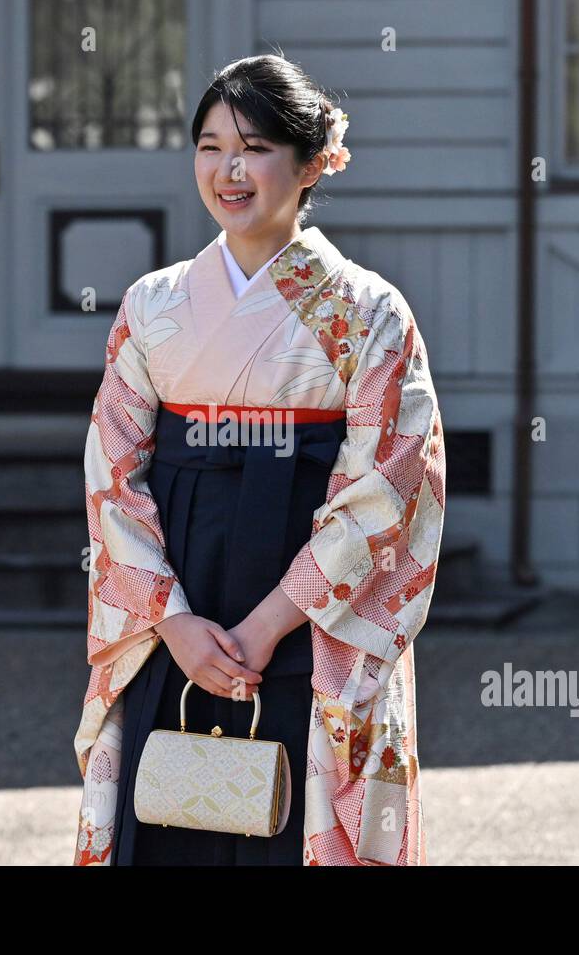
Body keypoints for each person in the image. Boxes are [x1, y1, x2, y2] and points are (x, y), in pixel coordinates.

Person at [72, 54, 446, 866]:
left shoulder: (370, 312)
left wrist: (267, 625)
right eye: (209, 146)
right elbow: (114, 473)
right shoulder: (153, 305)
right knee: (166, 812)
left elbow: (387, 486)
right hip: (179, 588)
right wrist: (172, 622)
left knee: (291, 822)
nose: (228, 170)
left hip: (308, 605)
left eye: (255, 147)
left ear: (313, 163)